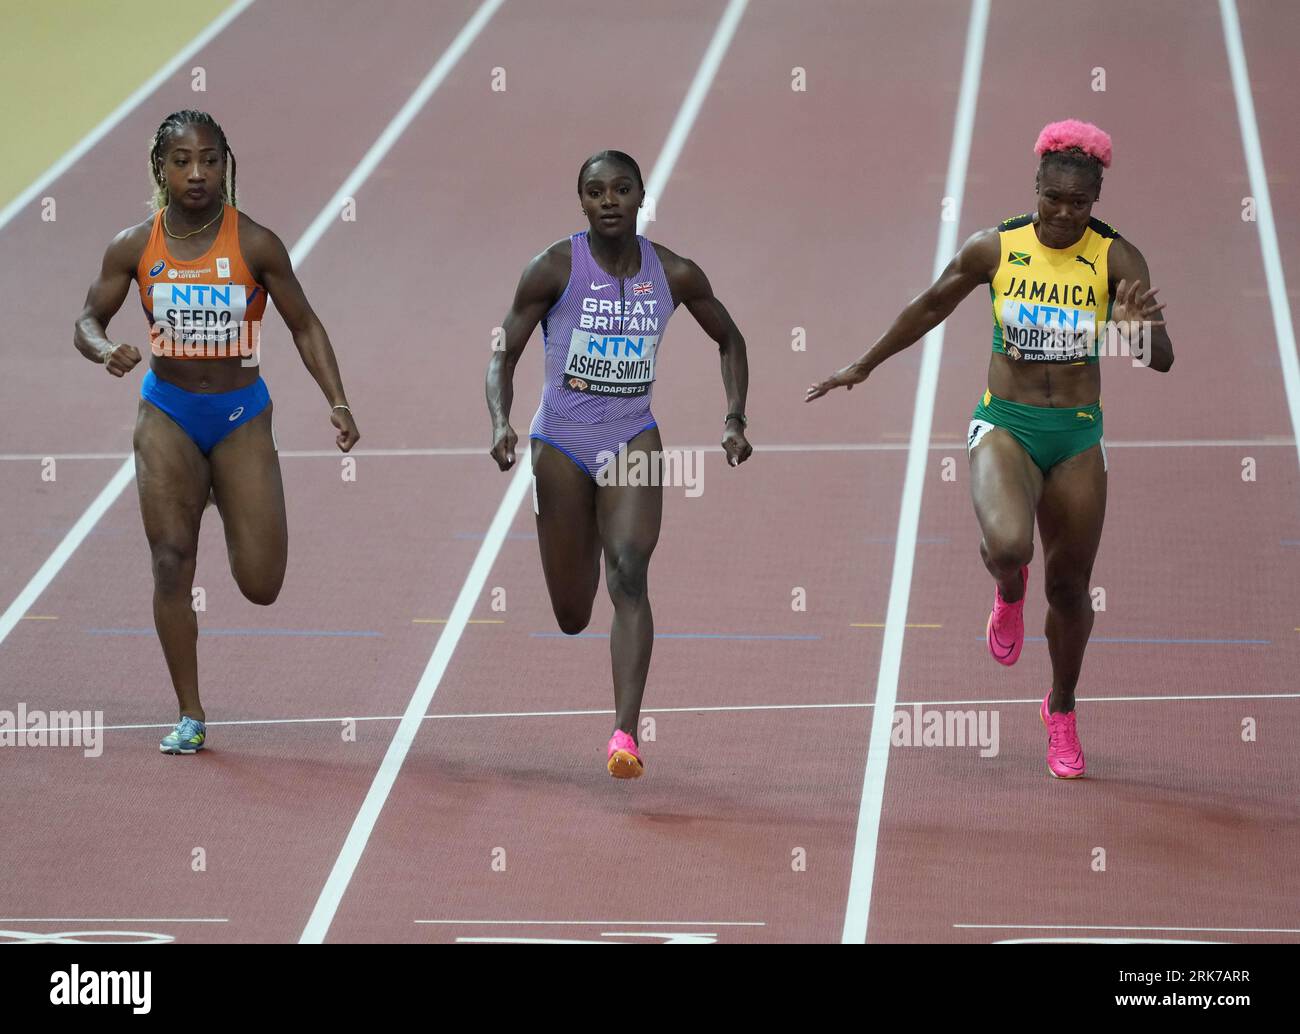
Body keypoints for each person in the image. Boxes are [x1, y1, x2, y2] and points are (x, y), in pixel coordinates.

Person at [806, 120, 1173, 778]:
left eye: (1079, 203)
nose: (1063, 214)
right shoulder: (995, 248)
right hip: (1005, 422)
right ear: (1035, 187)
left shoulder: (1118, 259)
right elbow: (928, 305)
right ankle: (1008, 590)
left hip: (1077, 433)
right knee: (1011, 547)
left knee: (1069, 587)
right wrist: (862, 365)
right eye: (1052, 198)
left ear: (1096, 201)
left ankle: (1060, 707)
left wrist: (1136, 332)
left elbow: (1162, 358)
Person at [74, 110, 360, 754]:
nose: (197, 172)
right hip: (168, 415)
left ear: (228, 165)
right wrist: (103, 349)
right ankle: (190, 714)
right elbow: (87, 319)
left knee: (261, 584)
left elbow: (304, 324)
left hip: (239, 417)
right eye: (181, 161)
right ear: (160, 169)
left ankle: (225, 489)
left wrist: (337, 401)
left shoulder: (256, 244)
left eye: (210, 159)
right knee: (172, 561)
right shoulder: (133, 245)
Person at [486, 150, 752, 778]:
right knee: (574, 613)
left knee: (629, 572)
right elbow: (504, 351)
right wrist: (501, 419)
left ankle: (625, 735)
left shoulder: (675, 273)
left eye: (621, 189)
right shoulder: (554, 268)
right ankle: (567, 542)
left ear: (640, 197)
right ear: (581, 201)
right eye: (595, 191)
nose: (609, 201)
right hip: (561, 443)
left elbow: (730, 338)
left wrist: (734, 416)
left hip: (633, 437)